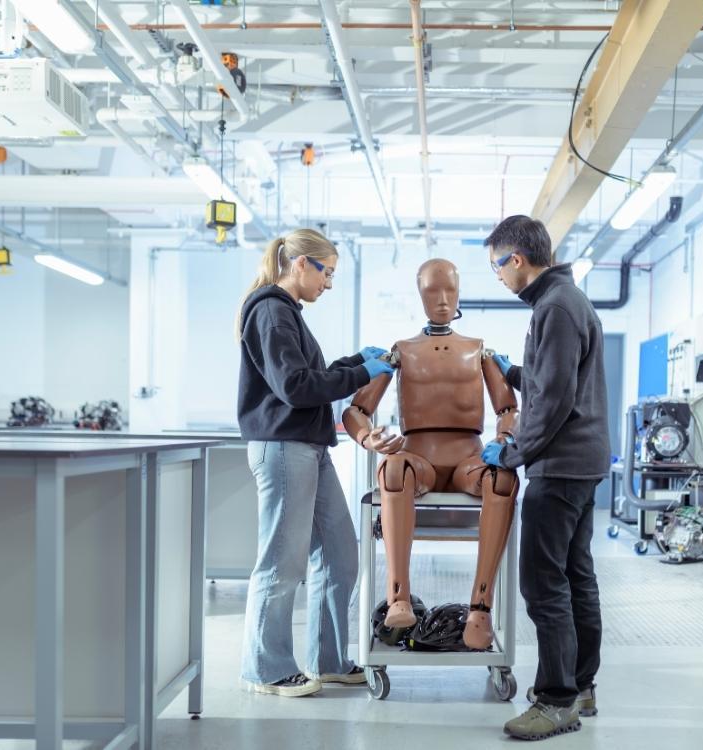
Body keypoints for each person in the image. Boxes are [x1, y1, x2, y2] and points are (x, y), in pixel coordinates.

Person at [236, 228, 394, 697]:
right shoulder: (270, 311)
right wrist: (361, 374)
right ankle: (266, 669)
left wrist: (355, 362)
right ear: (301, 263)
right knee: (282, 564)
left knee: (341, 554)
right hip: (283, 446)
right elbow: (296, 388)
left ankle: (327, 661)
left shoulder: (289, 315)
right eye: (327, 273)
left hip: (308, 446)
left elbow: (311, 376)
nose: (328, 284)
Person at [342, 258, 519, 650]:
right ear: (419, 295)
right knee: (392, 470)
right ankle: (399, 597)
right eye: (431, 291)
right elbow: (356, 410)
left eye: (449, 291)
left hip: (469, 460)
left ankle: (480, 607)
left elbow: (508, 408)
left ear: (459, 295)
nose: (441, 300)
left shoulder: (479, 352)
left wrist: (504, 439)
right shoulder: (402, 352)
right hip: (416, 458)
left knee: (504, 478)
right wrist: (370, 439)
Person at [479, 215, 610, 741]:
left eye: (497, 267)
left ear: (517, 259)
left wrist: (513, 453)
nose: (499, 278)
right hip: (585, 463)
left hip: (558, 467)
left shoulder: (553, 308)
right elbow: (554, 379)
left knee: (543, 582)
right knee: (578, 576)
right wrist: (514, 372)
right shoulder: (567, 302)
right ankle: (581, 688)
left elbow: (553, 400)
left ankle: (556, 702)